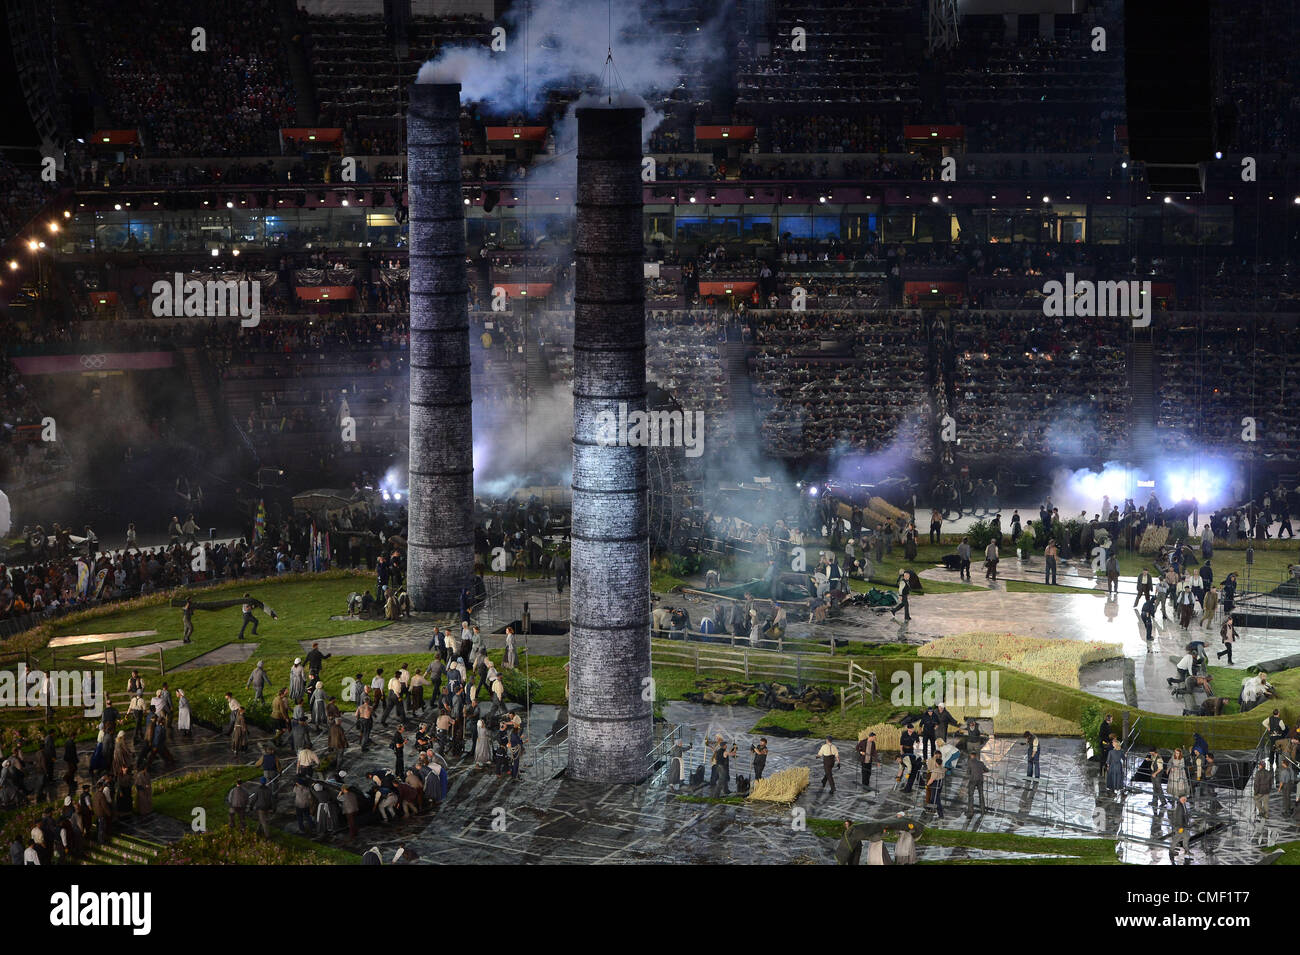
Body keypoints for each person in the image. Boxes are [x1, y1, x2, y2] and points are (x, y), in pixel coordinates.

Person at [1170, 795, 1192, 864]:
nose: (1184, 799)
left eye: (1185, 798)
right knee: (1178, 838)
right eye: (1183, 799)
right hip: (1180, 827)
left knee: (1185, 837)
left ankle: (1186, 850)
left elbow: (1184, 815)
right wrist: (1181, 827)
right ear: (1180, 799)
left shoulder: (1182, 804)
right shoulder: (1180, 807)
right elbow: (1179, 818)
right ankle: (1171, 851)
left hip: (1182, 826)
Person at [925, 750, 946, 818]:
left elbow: (931, 779)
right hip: (940, 782)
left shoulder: (935, 771)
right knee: (933, 797)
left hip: (935, 782)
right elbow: (944, 769)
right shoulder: (942, 769)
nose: (938, 757)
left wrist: (927, 784)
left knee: (936, 798)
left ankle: (940, 814)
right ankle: (930, 808)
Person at [966, 751, 988, 815]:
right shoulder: (981, 763)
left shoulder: (970, 762)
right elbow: (987, 770)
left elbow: (968, 772)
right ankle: (983, 810)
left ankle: (970, 811)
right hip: (980, 780)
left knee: (971, 795)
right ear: (976, 756)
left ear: (971, 756)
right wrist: (981, 772)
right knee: (981, 795)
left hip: (973, 780)